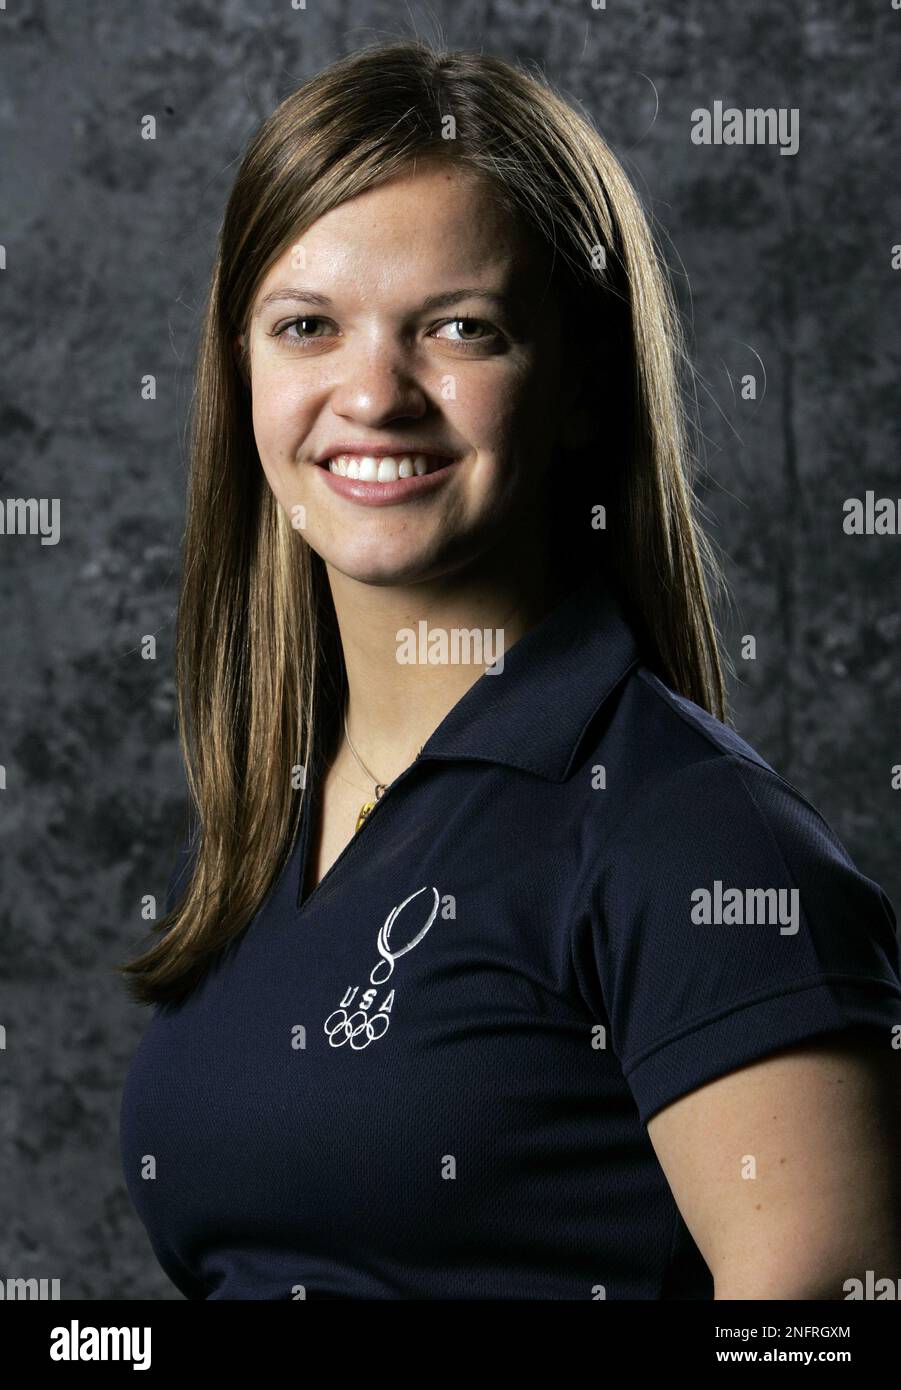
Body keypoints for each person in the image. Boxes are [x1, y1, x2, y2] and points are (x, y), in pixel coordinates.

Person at [117, 39, 901, 1300]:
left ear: (580, 382)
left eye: (459, 329)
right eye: (307, 325)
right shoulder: (269, 821)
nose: (373, 392)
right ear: (240, 369)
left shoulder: (696, 841)